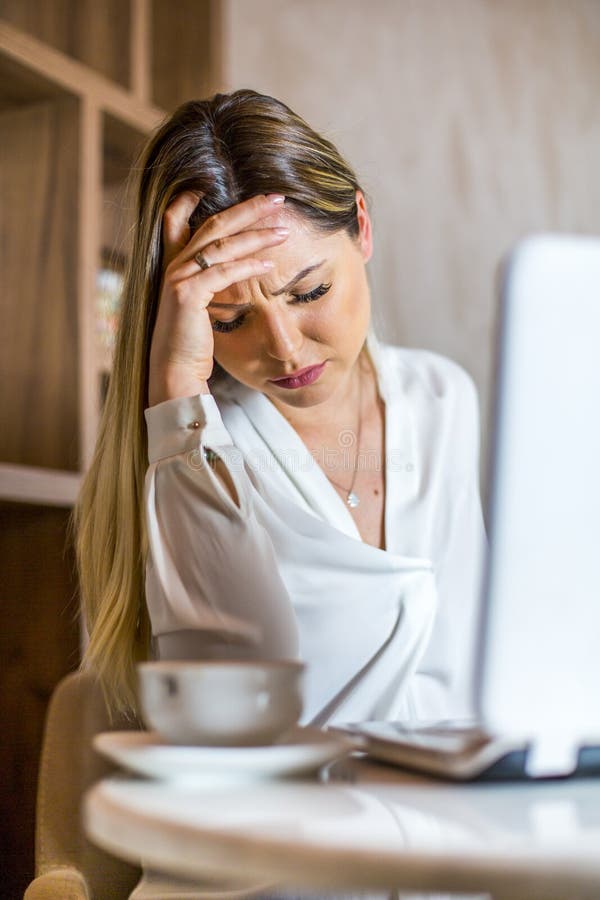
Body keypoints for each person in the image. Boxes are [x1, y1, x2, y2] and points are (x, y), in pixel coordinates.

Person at [72, 87, 485, 728]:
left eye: (309, 291)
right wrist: (177, 387)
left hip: (476, 788)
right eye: (230, 319)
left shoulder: (443, 398)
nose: (286, 350)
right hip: (302, 794)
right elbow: (222, 713)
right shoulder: (206, 451)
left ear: (362, 226)